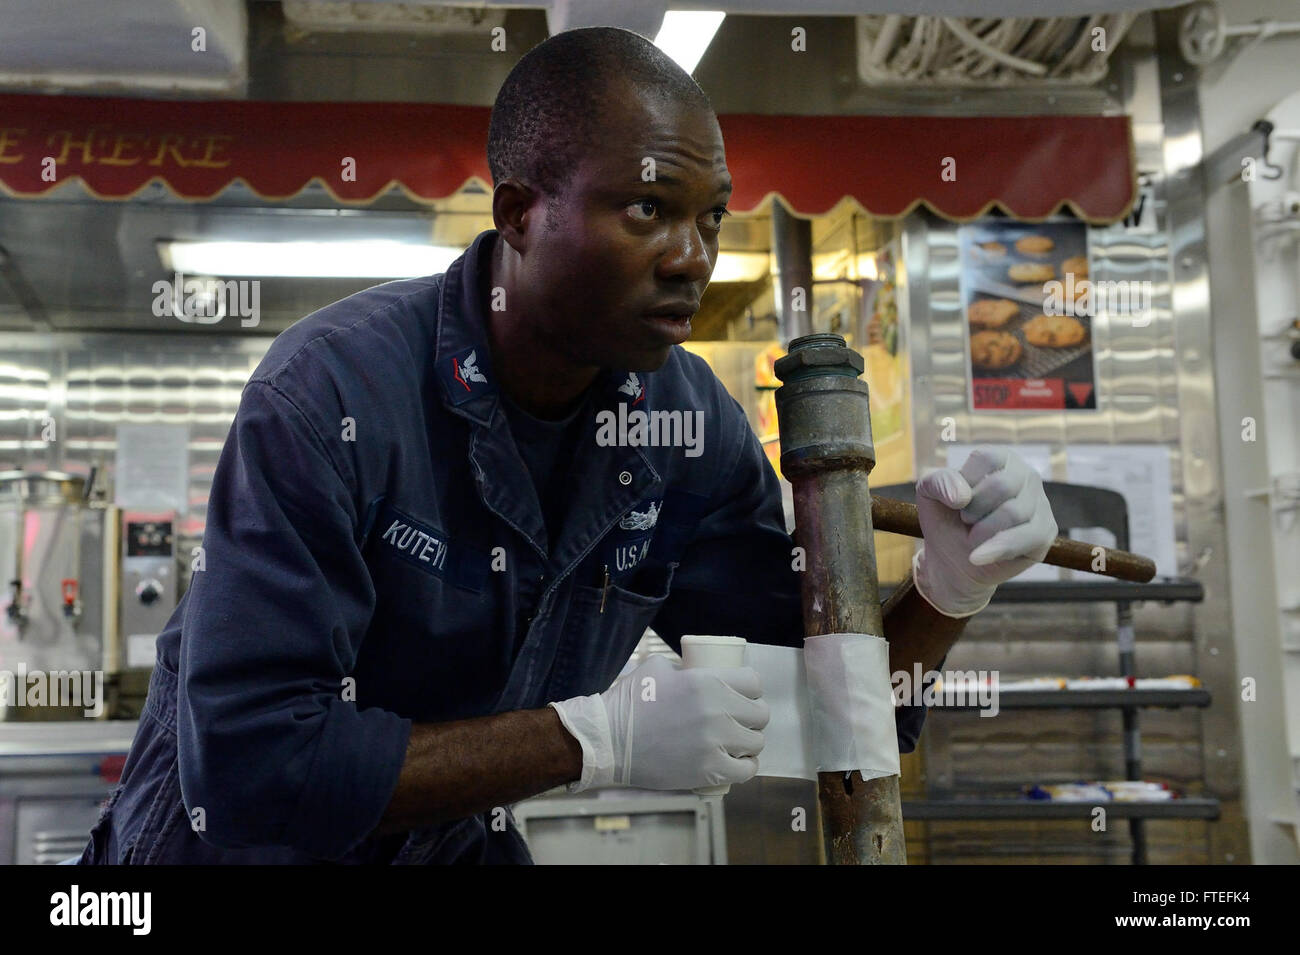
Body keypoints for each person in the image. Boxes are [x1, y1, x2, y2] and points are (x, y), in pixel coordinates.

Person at [79, 26, 1056, 865]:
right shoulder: (330, 397)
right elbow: (250, 764)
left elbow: (841, 716)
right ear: (518, 214)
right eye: (646, 209)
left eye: (709, 216)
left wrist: (947, 586)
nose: (692, 256)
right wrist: (593, 735)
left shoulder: (688, 433)